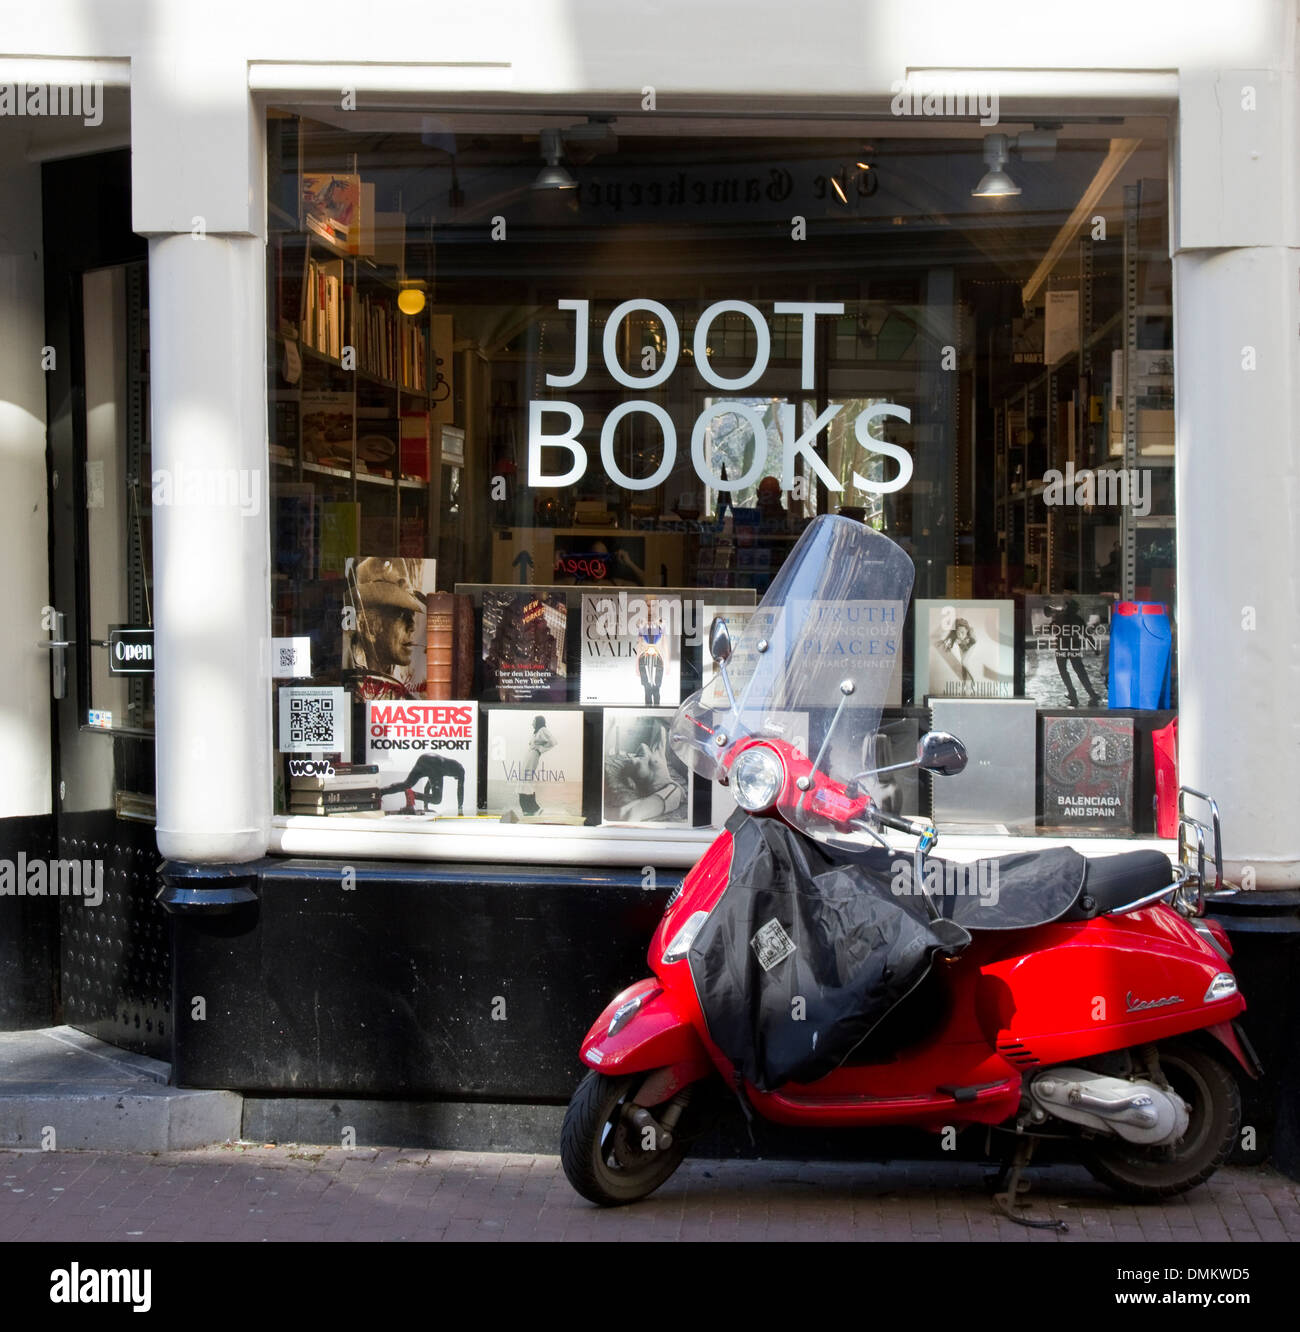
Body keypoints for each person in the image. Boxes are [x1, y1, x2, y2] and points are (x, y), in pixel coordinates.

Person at [344, 557, 426, 700]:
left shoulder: (412, 674)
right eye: (402, 615)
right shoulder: (347, 671)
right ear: (370, 626)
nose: (412, 626)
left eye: (412, 614)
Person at [607, 716, 685, 822]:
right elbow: (628, 814)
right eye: (634, 757)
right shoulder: (672, 791)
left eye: (637, 756)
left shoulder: (674, 791)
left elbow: (628, 814)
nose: (643, 748)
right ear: (632, 783)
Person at [379, 753, 466, 815]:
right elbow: (460, 790)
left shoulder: (440, 771)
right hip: (435, 762)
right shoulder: (461, 770)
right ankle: (412, 794)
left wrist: (426, 807)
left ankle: (381, 792)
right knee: (437, 799)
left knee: (407, 784)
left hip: (424, 759)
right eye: (456, 778)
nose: (456, 779)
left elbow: (427, 787)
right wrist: (460, 809)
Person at [516, 715, 557, 817]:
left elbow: (553, 741)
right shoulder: (537, 732)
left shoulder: (543, 729)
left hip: (533, 755)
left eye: (533, 721)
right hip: (530, 755)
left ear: (538, 721)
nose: (532, 723)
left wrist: (540, 750)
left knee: (526, 779)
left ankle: (534, 808)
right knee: (524, 779)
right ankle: (528, 809)